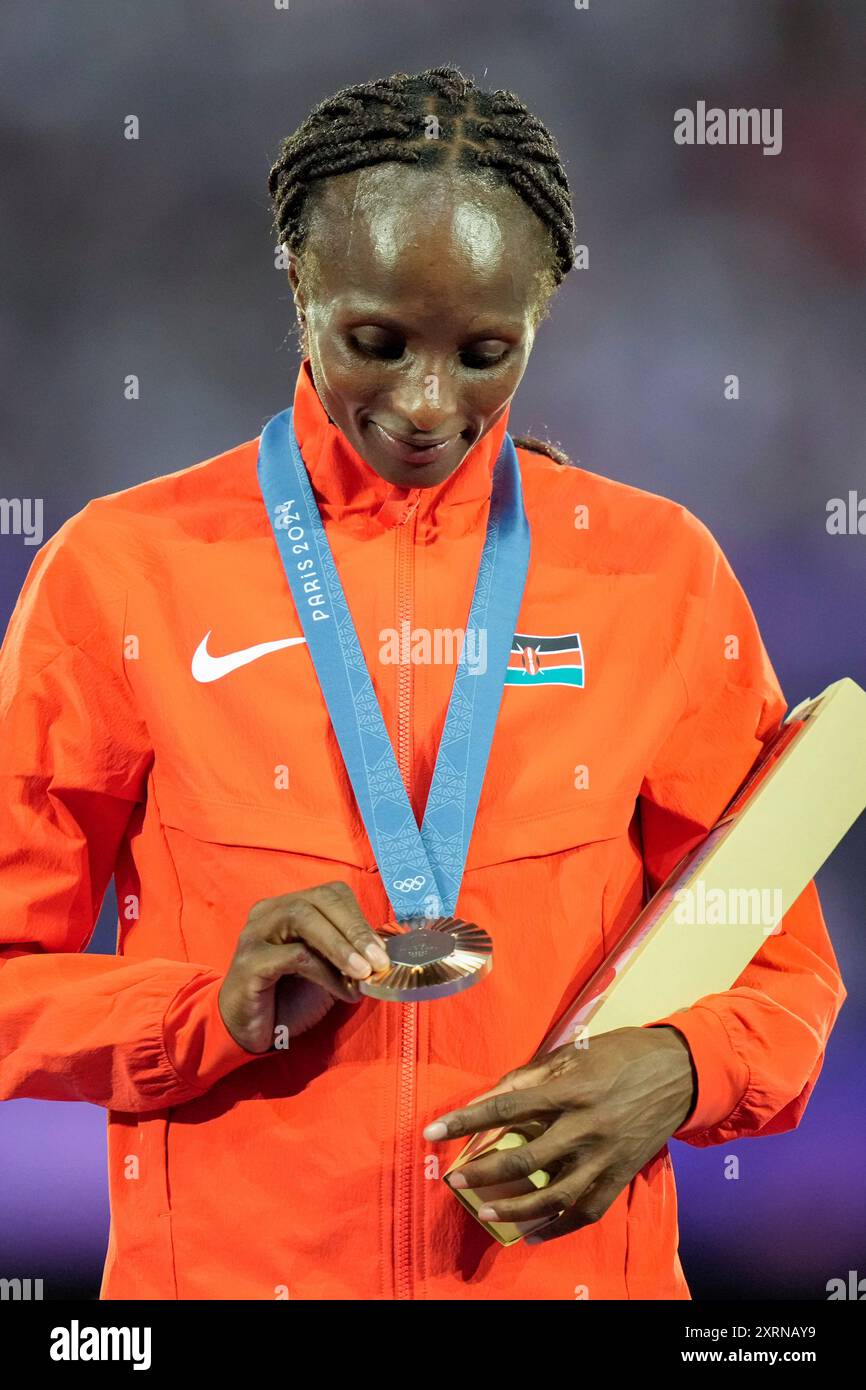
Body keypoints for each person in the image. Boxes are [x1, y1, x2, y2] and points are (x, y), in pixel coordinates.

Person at [0, 65, 846, 1301]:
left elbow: (775, 964)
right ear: (296, 279)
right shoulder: (120, 574)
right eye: (375, 342)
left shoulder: (655, 571)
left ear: (544, 311)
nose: (423, 403)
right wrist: (202, 1011)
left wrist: (678, 1065)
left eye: (484, 352)